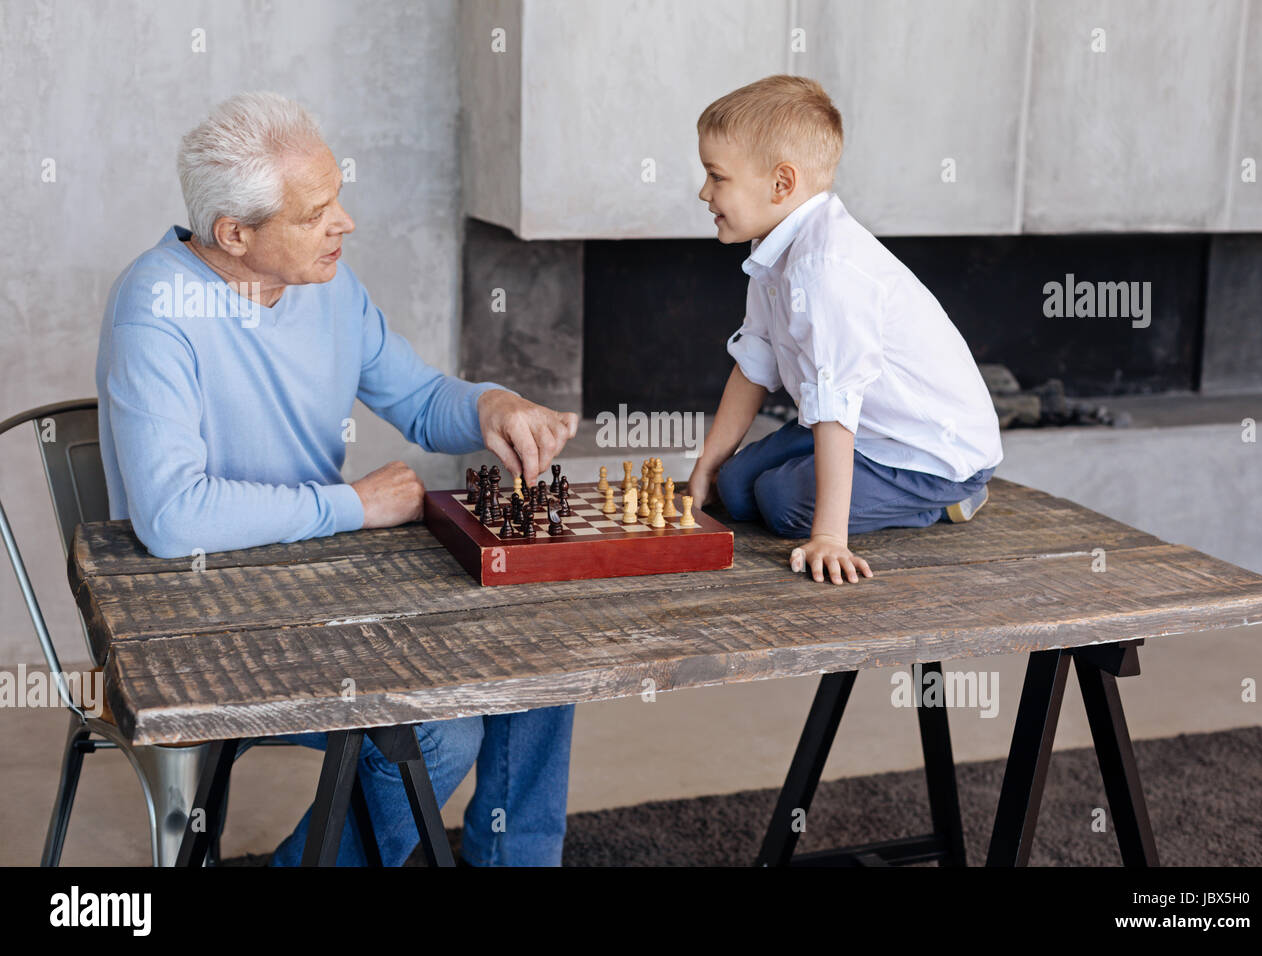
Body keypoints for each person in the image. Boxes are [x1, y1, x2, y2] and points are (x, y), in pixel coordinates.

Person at [96, 91, 576, 865]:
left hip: (325, 585)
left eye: (337, 198)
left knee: (545, 655)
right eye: (316, 211)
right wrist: (351, 505)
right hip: (200, 612)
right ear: (235, 234)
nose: (343, 222)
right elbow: (173, 516)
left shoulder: (328, 287)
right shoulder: (156, 307)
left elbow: (418, 398)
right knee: (439, 729)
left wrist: (492, 405)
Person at [687, 75, 1004, 585]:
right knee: (736, 485)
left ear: (781, 184)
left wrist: (829, 536)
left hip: (928, 453)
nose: (703, 192)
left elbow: (834, 403)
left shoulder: (824, 268)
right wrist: (708, 464)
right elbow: (755, 362)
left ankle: (948, 500)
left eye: (716, 176)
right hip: (863, 434)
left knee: (779, 502)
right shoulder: (772, 251)